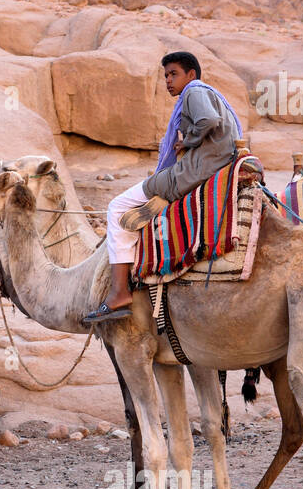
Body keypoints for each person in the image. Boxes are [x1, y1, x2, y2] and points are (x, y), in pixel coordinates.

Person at [83, 51, 242, 323]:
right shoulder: (206, 93)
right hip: (203, 168)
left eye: (173, 74)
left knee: (116, 207)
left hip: (189, 173)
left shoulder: (194, 91)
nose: (168, 80)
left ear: (190, 75)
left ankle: (120, 292)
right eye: (165, 75)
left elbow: (208, 120)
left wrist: (188, 141)